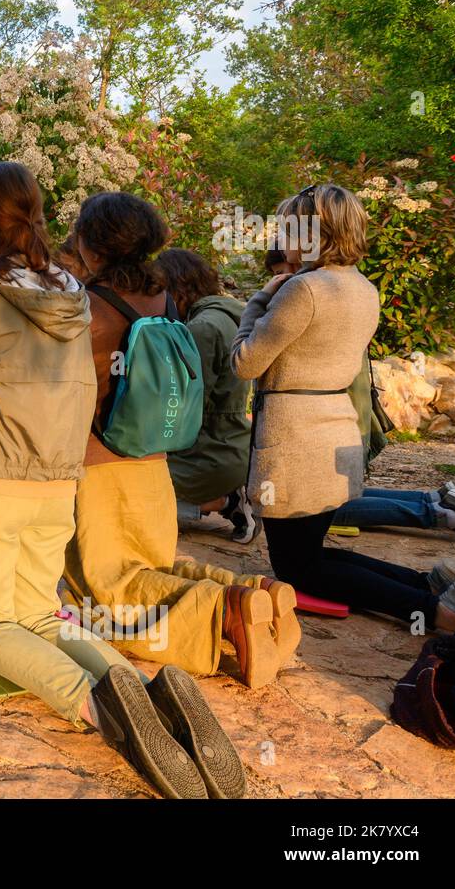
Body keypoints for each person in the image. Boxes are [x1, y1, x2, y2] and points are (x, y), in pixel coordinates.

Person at [0, 163, 243, 799]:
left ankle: (103, 709)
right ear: (39, 217)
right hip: (58, 483)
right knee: (40, 615)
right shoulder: (71, 289)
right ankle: (149, 692)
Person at [61, 192, 295, 690]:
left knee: (106, 588)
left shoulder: (87, 307)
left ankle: (223, 609)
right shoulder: (163, 299)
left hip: (99, 462)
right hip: (153, 459)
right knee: (150, 568)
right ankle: (257, 592)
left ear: (93, 245)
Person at [231, 184, 455, 631]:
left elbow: (245, 362)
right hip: (335, 425)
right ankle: (428, 586)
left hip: (293, 438)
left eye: (288, 226)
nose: (281, 236)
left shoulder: (302, 289)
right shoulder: (363, 287)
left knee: (298, 568)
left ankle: (432, 612)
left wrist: (260, 298)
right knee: (310, 552)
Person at [154, 248, 259, 543]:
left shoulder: (201, 328)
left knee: (134, 495)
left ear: (176, 288)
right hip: (234, 444)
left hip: (209, 453)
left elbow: (185, 409)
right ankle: (231, 498)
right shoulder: (232, 314)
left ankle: (227, 503)